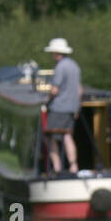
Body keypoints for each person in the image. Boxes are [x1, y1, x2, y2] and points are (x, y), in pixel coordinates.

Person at [44, 37, 82, 175]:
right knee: (67, 136)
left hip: (59, 107)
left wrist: (46, 100)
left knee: (49, 136)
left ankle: (57, 166)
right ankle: (73, 166)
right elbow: (79, 89)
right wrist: (77, 106)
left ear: (56, 53)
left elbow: (55, 89)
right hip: (72, 107)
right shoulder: (75, 66)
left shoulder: (60, 66)